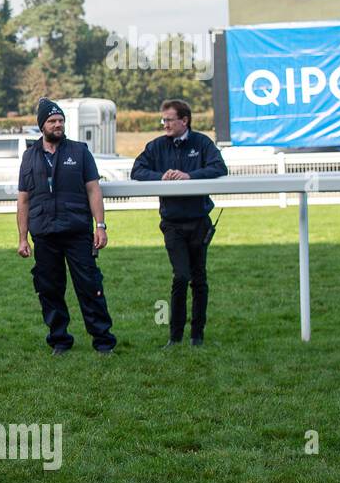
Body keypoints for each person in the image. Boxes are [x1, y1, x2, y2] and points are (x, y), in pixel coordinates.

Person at [16, 98, 116, 355]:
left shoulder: (80, 151)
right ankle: (59, 340)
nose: (58, 124)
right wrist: (22, 238)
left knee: (89, 285)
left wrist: (100, 226)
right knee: (49, 288)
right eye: (52, 121)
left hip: (77, 232)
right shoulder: (29, 157)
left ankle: (103, 341)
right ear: (42, 126)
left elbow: (93, 189)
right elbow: (23, 199)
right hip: (45, 234)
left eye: (60, 120)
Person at [131, 98, 228, 348]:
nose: (165, 124)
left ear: (184, 120)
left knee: (199, 278)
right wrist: (160, 177)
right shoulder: (156, 146)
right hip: (172, 223)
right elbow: (137, 171)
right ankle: (174, 337)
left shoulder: (202, 143)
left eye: (169, 120)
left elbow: (219, 167)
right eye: (163, 120)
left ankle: (197, 335)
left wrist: (190, 176)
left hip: (199, 222)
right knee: (181, 276)